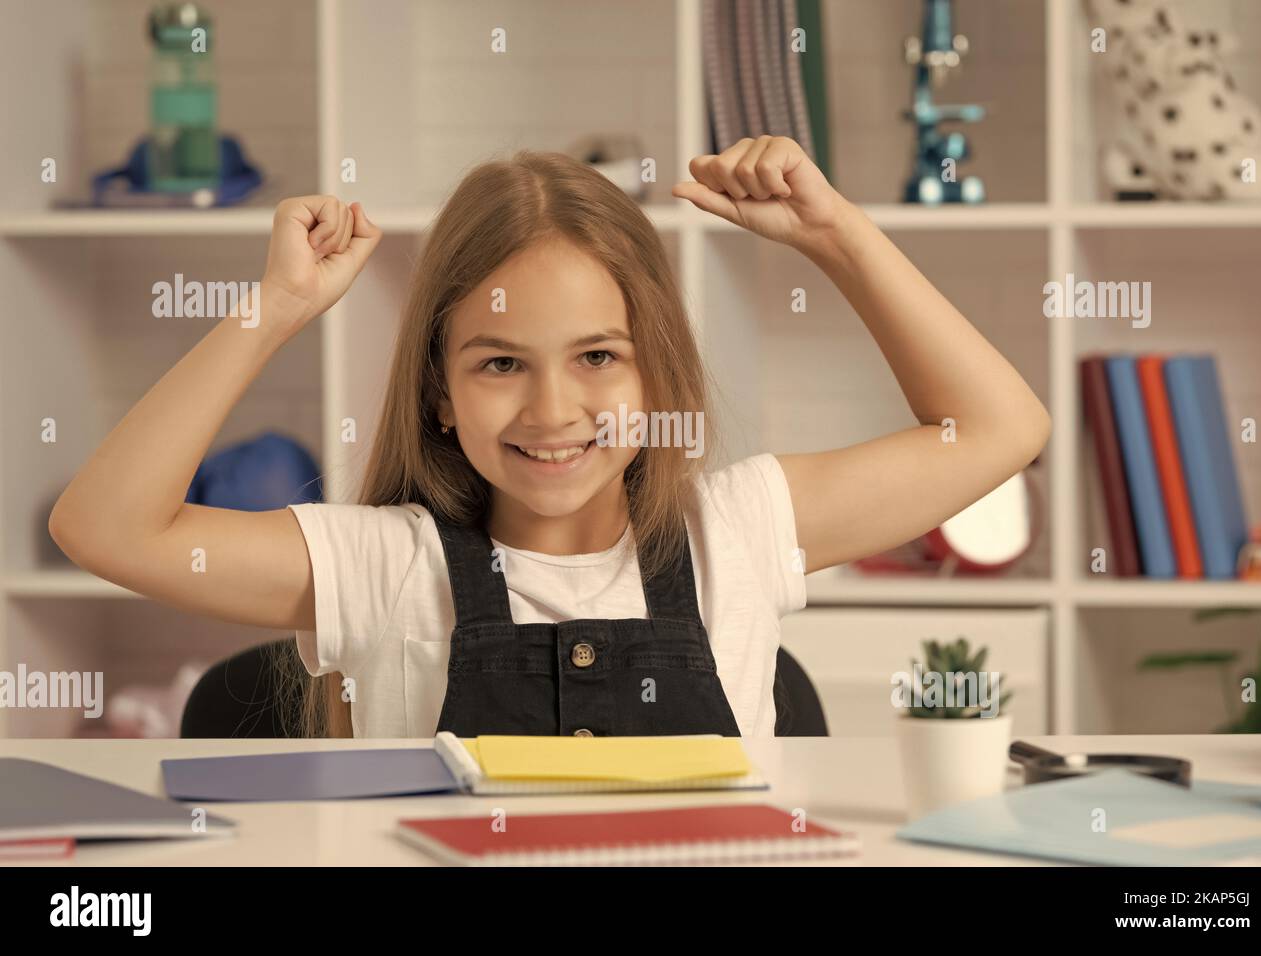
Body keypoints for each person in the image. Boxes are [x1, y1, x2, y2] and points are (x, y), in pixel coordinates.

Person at [49, 136, 1050, 739]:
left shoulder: (738, 528)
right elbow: (104, 527)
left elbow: (1001, 429)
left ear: (652, 369)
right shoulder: (384, 565)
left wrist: (837, 235)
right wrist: (272, 308)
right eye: (498, 363)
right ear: (439, 393)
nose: (552, 410)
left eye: (598, 357)